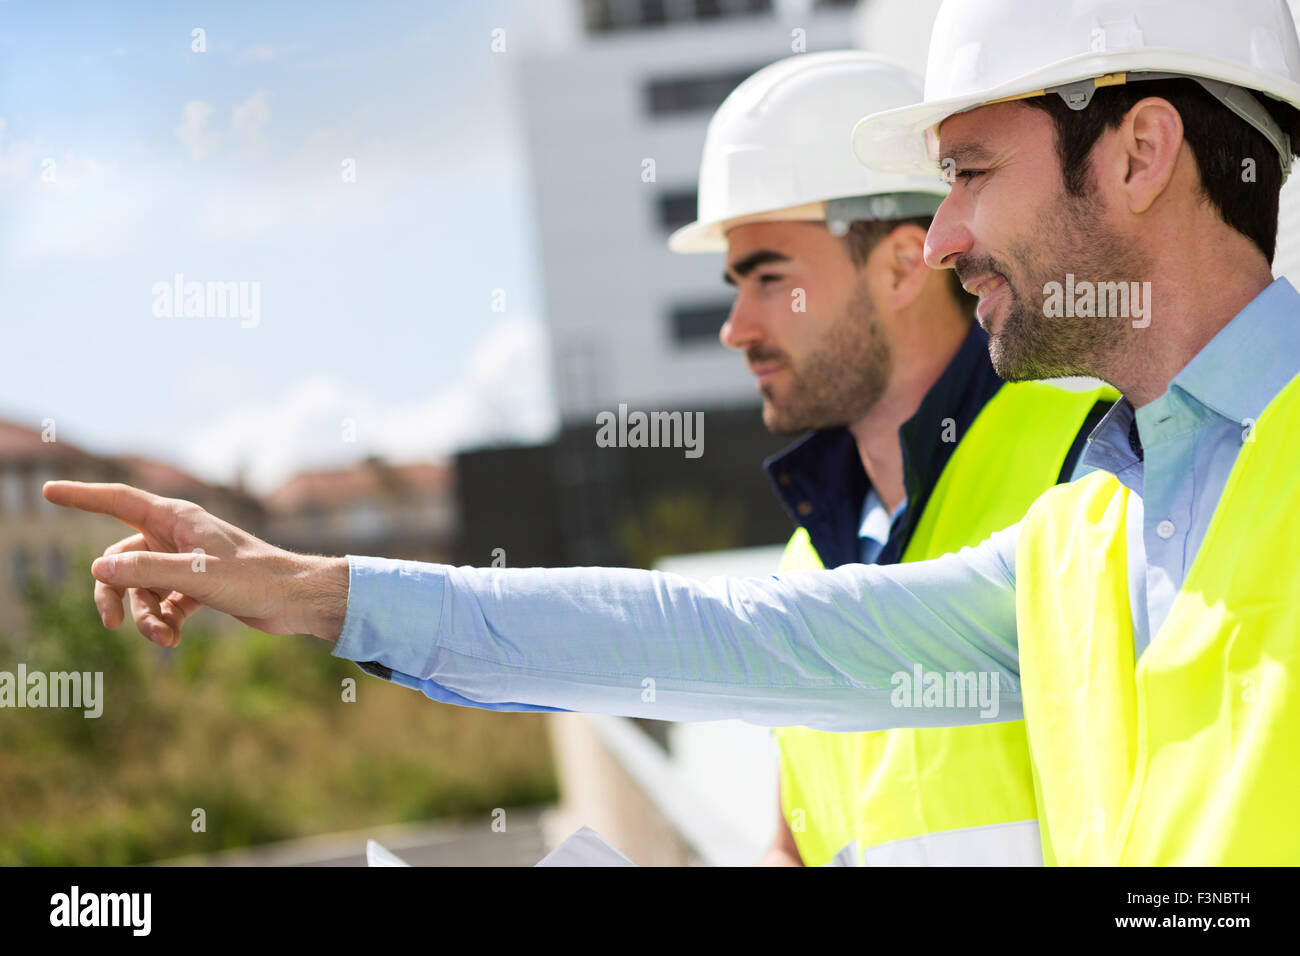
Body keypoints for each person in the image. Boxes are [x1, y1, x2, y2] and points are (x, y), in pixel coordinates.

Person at [44, 0, 1300, 864]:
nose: (951, 231)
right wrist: (319, 591)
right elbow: (711, 637)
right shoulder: (1084, 532)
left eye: (972, 173)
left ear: (1138, 154)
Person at [666, 51, 1111, 867]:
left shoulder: (1097, 466)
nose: (737, 327)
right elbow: (798, 846)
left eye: (769, 278)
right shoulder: (807, 561)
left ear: (905, 264)